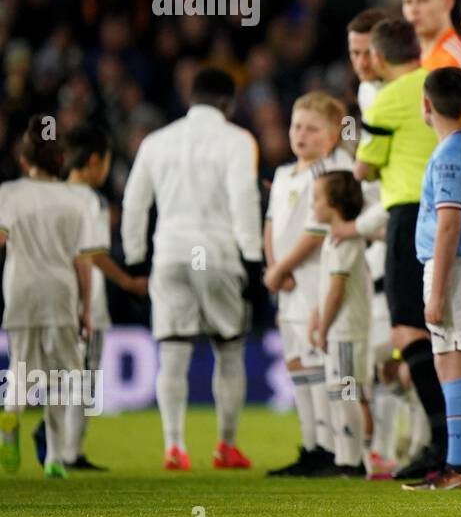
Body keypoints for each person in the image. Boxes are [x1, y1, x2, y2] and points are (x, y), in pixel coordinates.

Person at [120, 67, 263, 471]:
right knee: (230, 349)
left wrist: (135, 257)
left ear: (191, 99)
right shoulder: (237, 141)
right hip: (216, 253)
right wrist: (252, 261)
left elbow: (134, 202)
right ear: (227, 103)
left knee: (174, 354)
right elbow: (243, 200)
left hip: (170, 254)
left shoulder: (156, 141)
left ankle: (175, 447)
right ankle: (225, 445)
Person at [354, 17, 446, 481]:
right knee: (446, 332)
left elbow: (364, 170)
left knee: (408, 331)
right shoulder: (436, 82)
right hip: (449, 210)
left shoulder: (386, 99)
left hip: (408, 215)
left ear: (377, 57)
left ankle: (439, 440)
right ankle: (455, 439)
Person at [403, 68, 461, 490]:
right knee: (448, 362)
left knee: (454, 360)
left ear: (426, 103)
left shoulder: (449, 156)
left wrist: (436, 292)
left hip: (457, 266)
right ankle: (458, 464)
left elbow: (448, 225)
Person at [0, 117, 97, 478]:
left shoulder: (9, 194)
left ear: (25, 160)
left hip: (20, 290)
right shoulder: (75, 200)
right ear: (61, 160)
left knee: (20, 370)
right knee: (61, 378)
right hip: (59, 293)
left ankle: (9, 429)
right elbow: (83, 260)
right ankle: (55, 457)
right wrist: (86, 309)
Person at [263, 93, 354, 476]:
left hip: (316, 280)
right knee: (298, 363)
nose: (301, 135)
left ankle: (337, 447)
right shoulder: (285, 174)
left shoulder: (332, 174)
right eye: (297, 126)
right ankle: (312, 443)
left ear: (333, 136)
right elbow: (270, 225)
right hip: (288, 284)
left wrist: (280, 267)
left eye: (312, 129)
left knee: (324, 363)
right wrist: (274, 267)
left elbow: (316, 233)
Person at [335, 7, 402, 478]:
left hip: (399, 225)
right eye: (354, 52)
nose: (360, 61)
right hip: (379, 234)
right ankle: (381, 450)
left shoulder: (400, 93)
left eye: (366, 52)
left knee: (394, 354)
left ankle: (397, 449)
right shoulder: (366, 93)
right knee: (383, 360)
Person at [60, 123, 149, 471]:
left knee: (50, 377)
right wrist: (128, 282)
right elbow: (94, 254)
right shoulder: (90, 201)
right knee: (83, 377)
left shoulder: (51, 194)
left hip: (52, 299)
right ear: (95, 160)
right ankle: (70, 452)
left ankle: (48, 440)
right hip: (86, 304)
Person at [307, 171, 372, 477]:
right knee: (339, 392)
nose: (312, 204)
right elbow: (326, 288)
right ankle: (346, 458)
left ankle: (353, 459)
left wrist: (324, 326)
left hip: (346, 330)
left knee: (347, 392)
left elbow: (336, 288)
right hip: (338, 329)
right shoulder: (333, 241)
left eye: (317, 198)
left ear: (333, 205)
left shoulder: (346, 241)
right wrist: (317, 318)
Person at [402, 0, 461, 72]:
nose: (413, 10)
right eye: (408, 2)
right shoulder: (410, 58)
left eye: (423, 0)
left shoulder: (457, 59)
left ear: (448, 2)